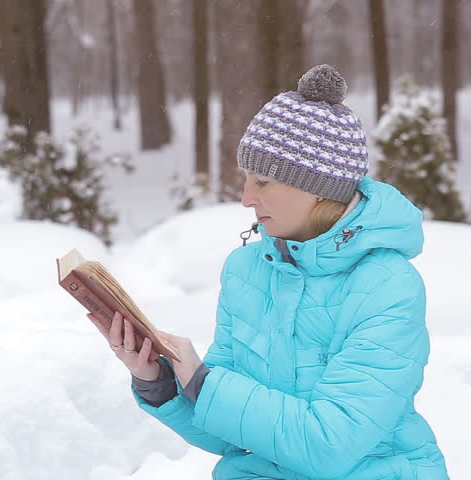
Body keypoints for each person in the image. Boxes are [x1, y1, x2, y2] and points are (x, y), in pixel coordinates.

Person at [87, 64, 450, 480]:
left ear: (318, 188)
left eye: (262, 181)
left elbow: (330, 443)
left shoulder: (386, 286)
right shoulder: (246, 270)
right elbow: (229, 433)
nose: (245, 198)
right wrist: (161, 382)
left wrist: (205, 384)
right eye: (246, 179)